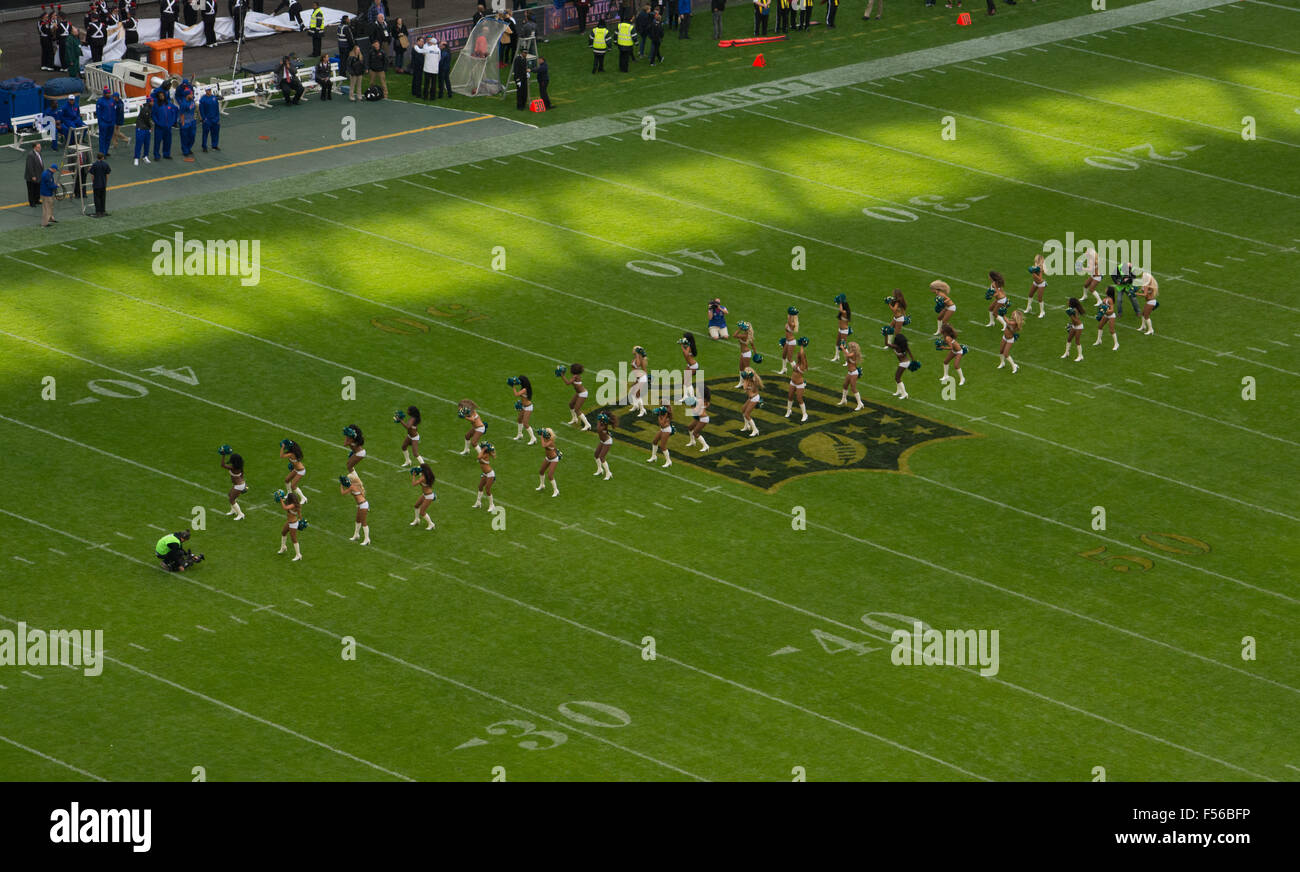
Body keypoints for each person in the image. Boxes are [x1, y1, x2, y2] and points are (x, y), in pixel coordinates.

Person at [340, 470, 371, 545]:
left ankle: (367, 539)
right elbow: (362, 495)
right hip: (362, 505)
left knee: (364, 522)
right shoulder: (356, 485)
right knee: (358, 520)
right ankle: (356, 535)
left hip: (363, 505)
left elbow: (343, 493)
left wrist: (341, 485)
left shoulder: (352, 487)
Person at [275, 491, 305, 561]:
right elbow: (300, 515)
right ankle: (283, 547)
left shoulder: (293, 505)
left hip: (293, 524)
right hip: (289, 522)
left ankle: (298, 555)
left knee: (293, 539)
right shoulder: (294, 504)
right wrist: (301, 520)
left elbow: (285, 508)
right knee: (283, 532)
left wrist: (281, 500)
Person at [560, 364, 591, 429]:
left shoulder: (575, 377)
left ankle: (587, 424)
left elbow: (568, 383)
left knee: (577, 409)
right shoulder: (576, 376)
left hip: (583, 394)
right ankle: (574, 419)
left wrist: (562, 376)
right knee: (571, 404)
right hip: (578, 393)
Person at [785, 336, 809, 420]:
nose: (797, 354)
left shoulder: (803, 365)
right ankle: (788, 411)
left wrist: (802, 345)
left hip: (799, 384)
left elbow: (802, 353)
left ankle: (805, 414)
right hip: (792, 382)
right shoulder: (797, 364)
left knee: (799, 399)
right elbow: (790, 358)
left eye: (798, 355)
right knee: (790, 396)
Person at [219, 446, 246, 519]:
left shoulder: (233, 468)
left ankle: (241, 514)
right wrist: (244, 484)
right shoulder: (240, 466)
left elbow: (222, 465)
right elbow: (242, 474)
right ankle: (233, 510)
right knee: (230, 495)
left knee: (231, 499)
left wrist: (223, 455)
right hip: (239, 484)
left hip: (239, 486)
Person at [279, 438, 308, 504]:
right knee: (287, 480)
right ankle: (289, 494)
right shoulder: (291, 452)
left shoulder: (291, 454)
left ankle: (304, 498)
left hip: (301, 471)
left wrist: (282, 448)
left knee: (293, 486)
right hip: (296, 469)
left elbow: (281, 456)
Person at [535, 427, 561, 497]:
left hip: (554, 459)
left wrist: (541, 437)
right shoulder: (547, 438)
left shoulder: (550, 440)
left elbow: (543, 445)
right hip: (548, 458)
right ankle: (542, 485)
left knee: (550, 475)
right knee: (541, 471)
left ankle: (556, 490)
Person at [409, 464, 436, 529]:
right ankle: (417, 520)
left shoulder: (423, 477)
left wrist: (413, 476)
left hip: (429, 496)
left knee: (422, 512)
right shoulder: (426, 475)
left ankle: (431, 524)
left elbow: (413, 484)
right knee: (416, 505)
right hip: (425, 494)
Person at [471, 443, 496, 511]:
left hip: (490, 474)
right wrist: (485, 449)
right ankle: (478, 503)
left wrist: (488, 449)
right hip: (485, 474)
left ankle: (492, 505)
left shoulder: (485, 454)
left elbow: (479, 457)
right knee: (480, 487)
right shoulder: (483, 453)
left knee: (487, 489)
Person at [738, 368, 763, 435]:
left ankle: (755, 430)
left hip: (754, 398)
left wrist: (746, 379)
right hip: (751, 398)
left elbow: (745, 387)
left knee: (747, 414)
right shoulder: (749, 379)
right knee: (743, 409)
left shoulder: (753, 380)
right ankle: (747, 426)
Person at [890, 334, 915, 399]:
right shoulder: (904, 346)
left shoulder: (896, 347)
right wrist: (913, 360)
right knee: (897, 377)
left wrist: (886, 334)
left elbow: (887, 344)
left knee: (897, 378)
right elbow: (910, 352)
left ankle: (904, 393)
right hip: (905, 362)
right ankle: (898, 391)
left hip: (904, 363)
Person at [592, 411, 616, 479]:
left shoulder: (602, 426)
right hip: (602, 441)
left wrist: (600, 419)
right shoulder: (603, 422)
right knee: (596, 455)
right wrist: (602, 414)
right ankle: (600, 469)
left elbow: (598, 428)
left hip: (607, 442)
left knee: (601, 457)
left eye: (600, 418)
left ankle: (608, 473)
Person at [152, 94, 176, 161]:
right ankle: (156, 155)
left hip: (168, 127)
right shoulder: (156, 105)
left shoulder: (169, 104)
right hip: (159, 127)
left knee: (168, 141)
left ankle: (166, 154)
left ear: (165, 96)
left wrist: (172, 122)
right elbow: (153, 115)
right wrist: (158, 123)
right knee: (157, 142)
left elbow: (173, 112)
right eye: (160, 96)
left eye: (162, 95)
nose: (161, 97)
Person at [1062, 298, 1085, 362]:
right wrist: (1071, 324)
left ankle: (1080, 356)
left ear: (1071, 303)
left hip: (1079, 327)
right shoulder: (1071, 309)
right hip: (1074, 326)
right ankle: (1066, 353)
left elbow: (1076, 320)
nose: (1067, 302)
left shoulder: (1075, 310)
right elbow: (1073, 321)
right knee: (1069, 339)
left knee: (1077, 341)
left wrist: (1070, 315)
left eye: (1068, 301)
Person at [829, 293, 850, 361]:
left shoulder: (846, 312)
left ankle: (848, 360)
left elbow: (841, 310)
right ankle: (836, 356)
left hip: (844, 330)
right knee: (837, 343)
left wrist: (840, 302)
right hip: (840, 329)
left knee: (843, 345)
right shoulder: (843, 312)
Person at [1026, 253, 1047, 318]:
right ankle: (1028, 308)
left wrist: (1033, 273)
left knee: (1039, 298)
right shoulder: (1036, 265)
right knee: (1030, 294)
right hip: (1035, 283)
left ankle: (1042, 312)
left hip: (1041, 284)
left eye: (1037, 260)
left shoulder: (1040, 268)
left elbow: (1040, 279)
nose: (1036, 261)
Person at [177, 91, 197, 156]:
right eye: (191, 94)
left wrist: (194, 118)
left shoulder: (192, 101)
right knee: (184, 138)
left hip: (192, 122)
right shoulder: (183, 104)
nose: (192, 95)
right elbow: (181, 114)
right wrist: (183, 123)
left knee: (192, 136)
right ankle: (185, 151)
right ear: (187, 95)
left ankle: (188, 148)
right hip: (185, 122)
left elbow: (193, 109)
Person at [39, 162, 59, 228]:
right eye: (55, 170)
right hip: (46, 194)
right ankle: (44, 223)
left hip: (46, 193)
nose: (56, 171)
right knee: (46, 208)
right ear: (53, 169)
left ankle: (50, 218)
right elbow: (50, 185)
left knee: (50, 207)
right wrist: (56, 186)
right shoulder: (48, 175)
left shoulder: (47, 173)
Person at [133, 96, 152, 165]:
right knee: (139, 143)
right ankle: (136, 158)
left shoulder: (150, 108)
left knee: (147, 143)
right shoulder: (146, 109)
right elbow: (147, 120)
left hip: (146, 128)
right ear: (149, 102)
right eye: (152, 101)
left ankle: (145, 156)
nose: (153, 102)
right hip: (141, 128)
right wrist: (150, 127)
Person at [25, 143, 44, 208]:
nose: (40, 148)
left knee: (37, 189)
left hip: (38, 175)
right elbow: (29, 166)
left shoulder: (39, 153)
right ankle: (32, 202)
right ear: (35, 148)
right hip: (32, 177)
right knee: (31, 190)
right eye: (38, 147)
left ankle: (36, 200)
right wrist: (33, 176)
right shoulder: (30, 155)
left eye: (40, 147)